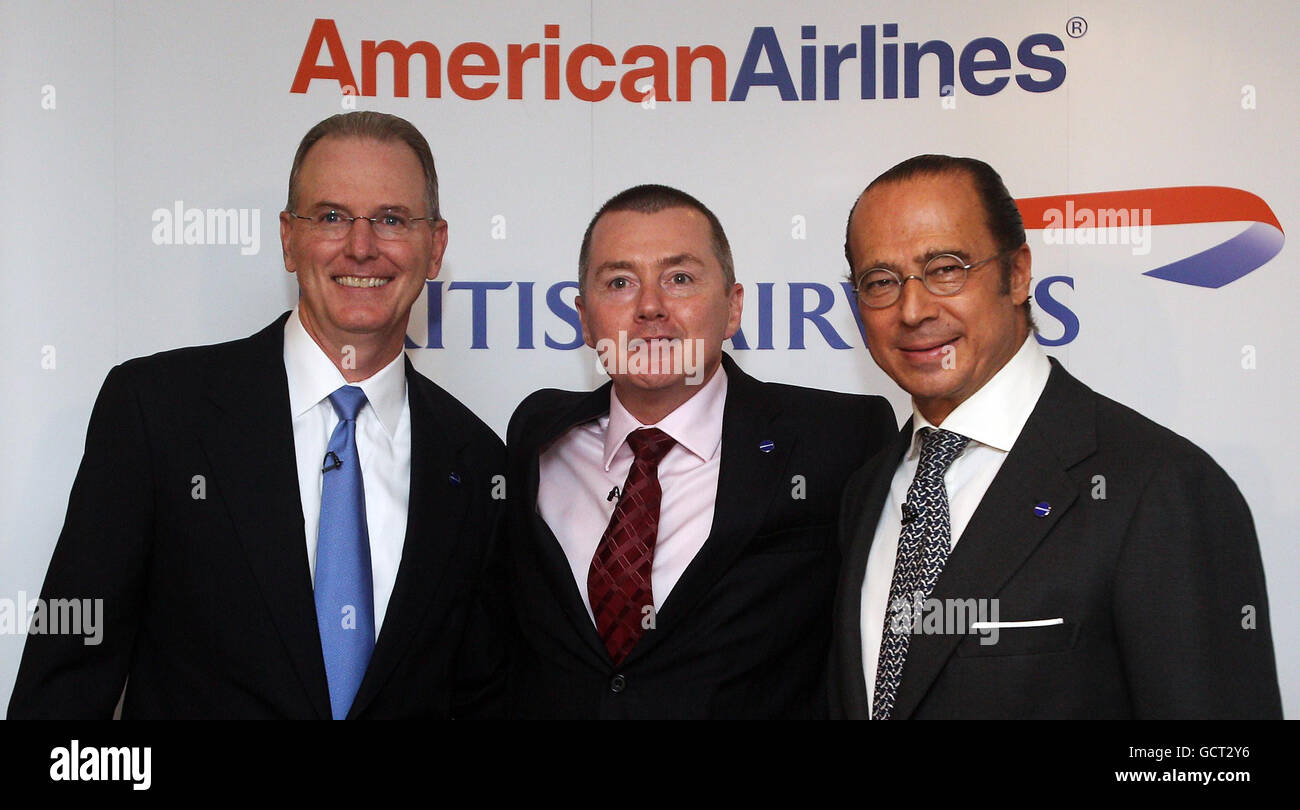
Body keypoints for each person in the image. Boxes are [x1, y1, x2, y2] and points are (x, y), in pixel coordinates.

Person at [9, 111, 505, 719]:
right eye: (330, 216)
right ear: (287, 239)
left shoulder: (478, 463)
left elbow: (484, 698)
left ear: (436, 247)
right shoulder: (157, 413)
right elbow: (66, 683)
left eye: (392, 219)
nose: (360, 246)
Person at [829, 154, 1282, 719]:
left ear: (1017, 274)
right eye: (881, 282)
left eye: (945, 268)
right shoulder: (866, 492)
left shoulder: (1160, 488)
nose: (913, 309)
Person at [500, 184, 896, 718]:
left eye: (679, 279)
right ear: (585, 318)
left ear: (732, 308)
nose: (649, 308)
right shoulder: (537, 434)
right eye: (619, 282)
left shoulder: (840, 438)